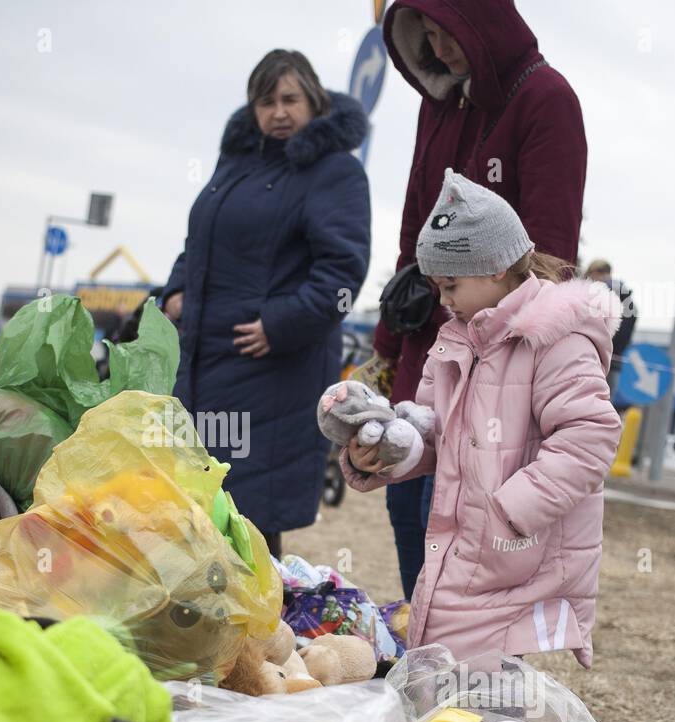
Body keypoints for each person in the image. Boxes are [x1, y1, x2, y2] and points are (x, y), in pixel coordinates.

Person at [340, 170, 621, 668]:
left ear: (495, 269)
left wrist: (509, 509)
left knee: (483, 683)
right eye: (436, 287)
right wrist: (384, 453)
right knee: (445, 673)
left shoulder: (558, 338)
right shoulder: (456, 337)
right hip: (461, 547)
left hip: (514, 553)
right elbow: (433, 431)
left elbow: (590, 436)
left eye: (450, 285)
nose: (443, 301)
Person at [375, 0, 587, 600]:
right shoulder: (439, 103)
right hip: (425, 359)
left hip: (496, 372)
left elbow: (551, 257)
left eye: (449, 33)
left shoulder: (547, 100)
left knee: (470, 553)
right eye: (429, 36)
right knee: (408, 517)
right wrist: (387, 348)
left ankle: (476, 688)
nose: (438, 50)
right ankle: (429, 676)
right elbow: (413, 238)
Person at [160, 50, 371, 557]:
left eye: (289, 99)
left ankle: (255, 631)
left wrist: (279, 325)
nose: (278, 112)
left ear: (314, 101)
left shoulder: (334, 170)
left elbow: (342, 271)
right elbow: (199, 244)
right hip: (206, 362)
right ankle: (204, 631)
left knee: (250, 513)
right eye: (265, 101)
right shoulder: (235, 163)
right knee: (195, 507)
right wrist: (173, 293)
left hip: (272, 369)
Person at [585, 259, 637, 396]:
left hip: (592, 358)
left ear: (596, 273)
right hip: (614, 362)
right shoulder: (627, 299)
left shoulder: (598, 294)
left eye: (590, 274)